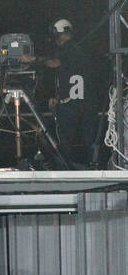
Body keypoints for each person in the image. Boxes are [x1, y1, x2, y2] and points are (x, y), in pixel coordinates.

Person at [44, 18, 96, 167]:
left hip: (80, 103)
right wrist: (56, 96)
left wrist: (33, 60)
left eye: (58, 36)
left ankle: (91, 166)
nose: (57, 41)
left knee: (85, 139)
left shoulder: (72, 48)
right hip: (75, 102)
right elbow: (64, 79)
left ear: (67, 34)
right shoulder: (67, 50)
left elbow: (54, 64)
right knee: (72, 140)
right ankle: (73, 166)